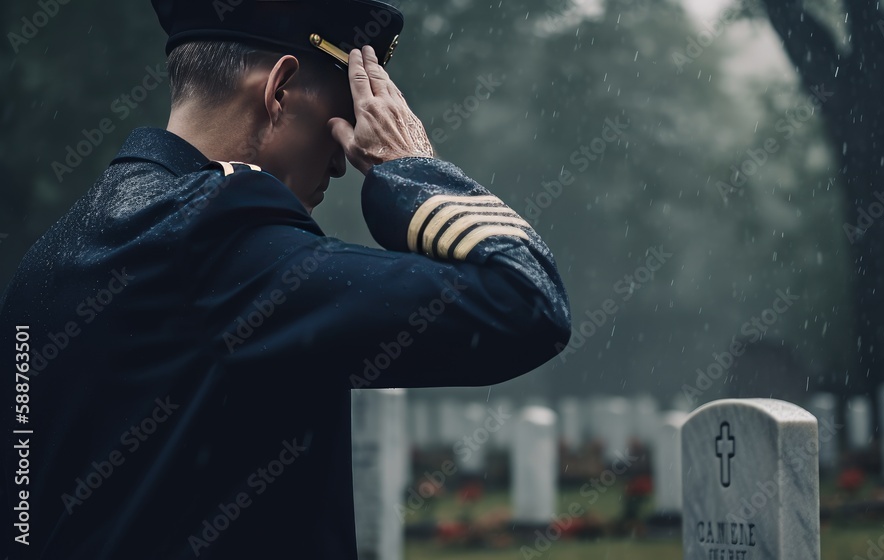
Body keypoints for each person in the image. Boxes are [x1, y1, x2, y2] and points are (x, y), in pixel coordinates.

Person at [0, 1, 571, 558]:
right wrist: (409, 170)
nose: (343, 159)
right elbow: (526, 300)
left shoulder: (51, 257)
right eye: (344, 117)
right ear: (279, 91)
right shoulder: (220, 245)